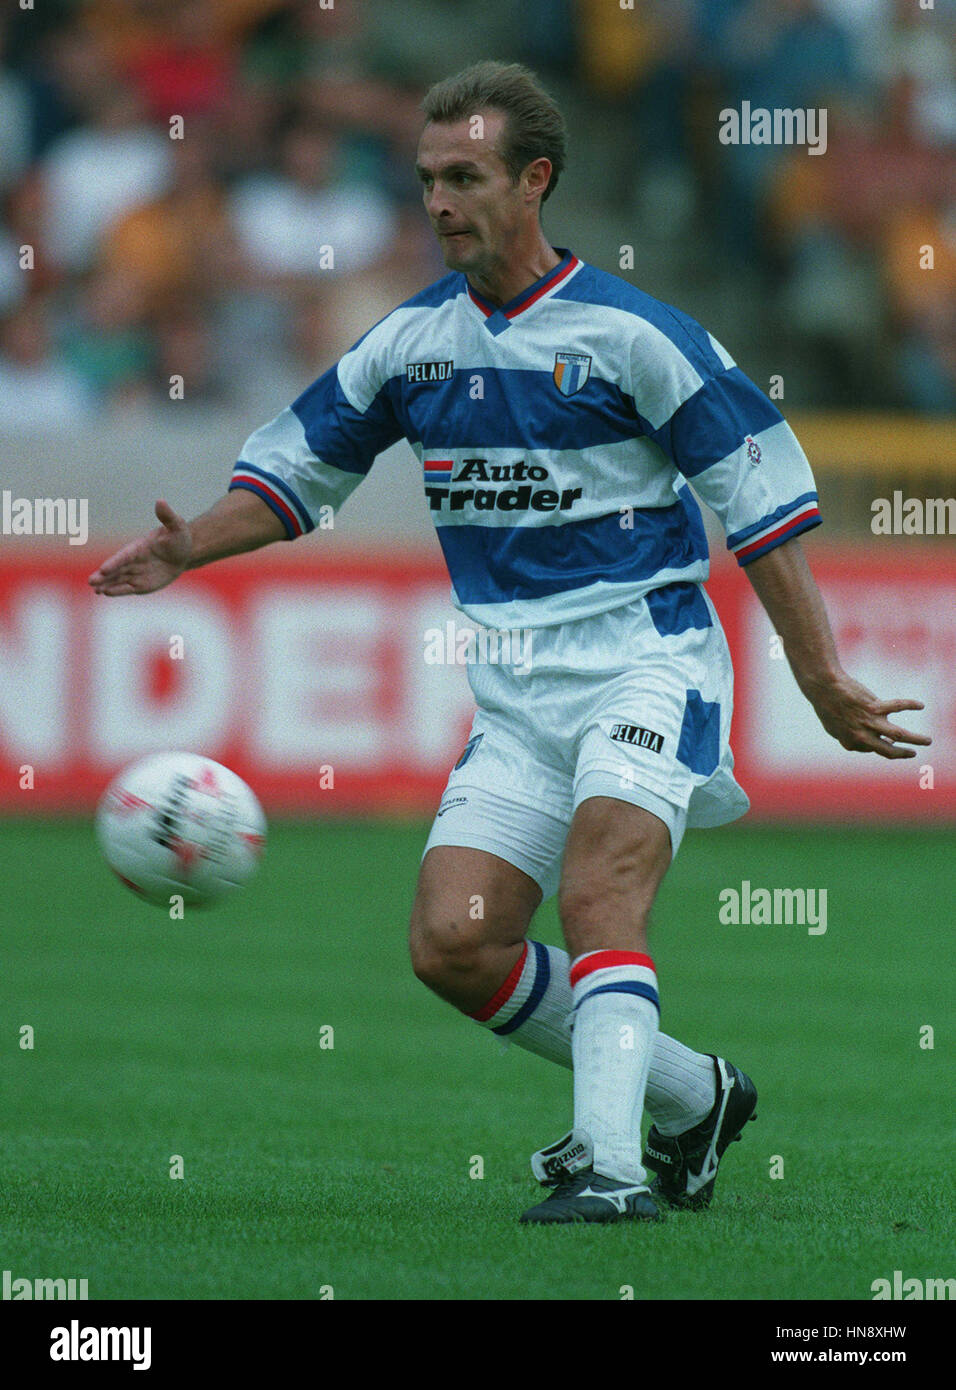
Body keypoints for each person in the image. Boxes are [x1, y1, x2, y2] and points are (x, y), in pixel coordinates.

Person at [89, 61, 930, 1225]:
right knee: (454, 944)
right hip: (516, 697)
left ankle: (610, 1168)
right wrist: (193, 549)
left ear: (533, 180)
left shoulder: (636, 334)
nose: (439, 201)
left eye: (464, 177)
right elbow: (296, 474)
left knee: (598, 895)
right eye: (428, 177)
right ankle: (692, 1096)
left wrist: (816, 670)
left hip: (649, 661)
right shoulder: (409, 345)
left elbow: (763, 504)